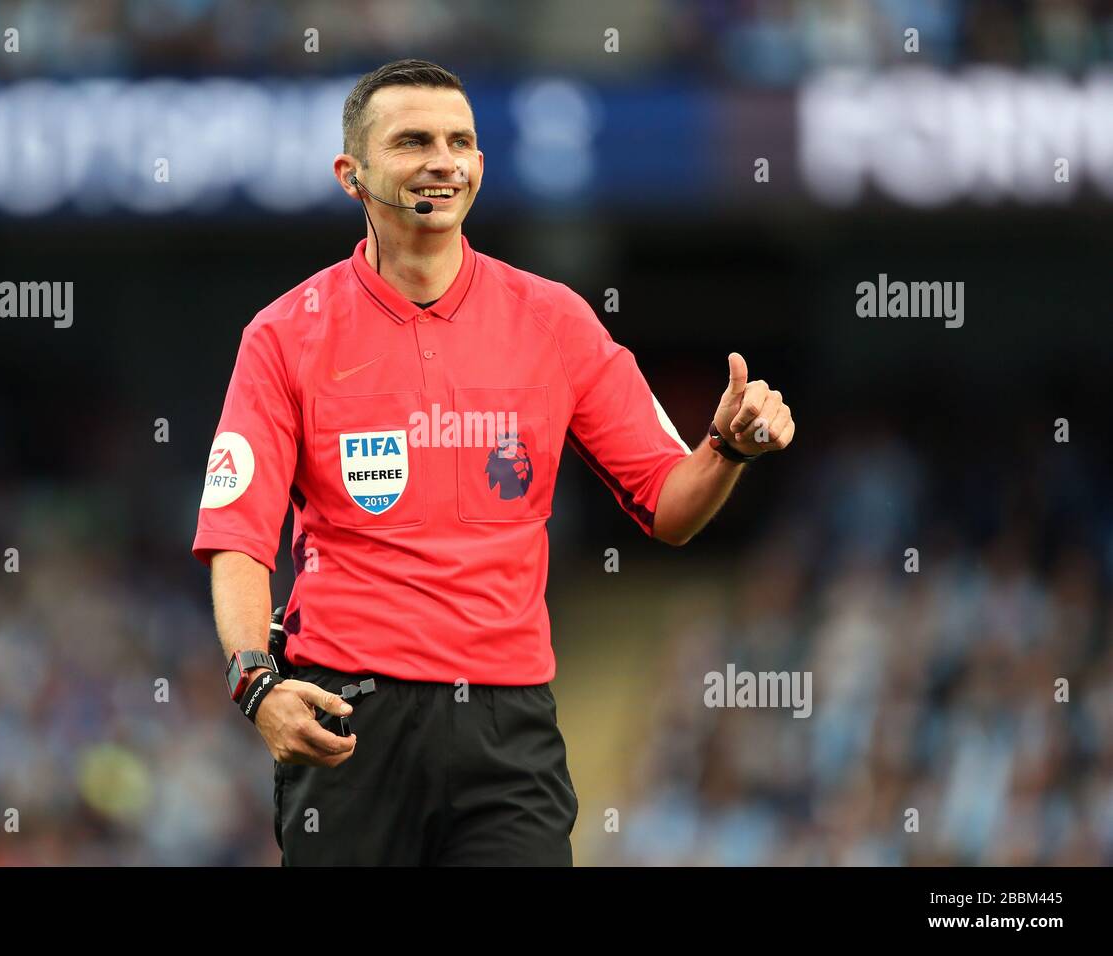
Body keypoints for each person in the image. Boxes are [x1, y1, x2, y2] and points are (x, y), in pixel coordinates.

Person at [192, 59, 795, 865]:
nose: (443, 160)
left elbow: (670, 506)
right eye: (412, 141)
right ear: (353, 174)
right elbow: (238, 537)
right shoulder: (283, 335)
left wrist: (725, 448)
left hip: (509, 733)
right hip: (348, 720)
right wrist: (256, 683)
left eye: (460, 141)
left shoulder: (555, 321)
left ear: (480, 165)